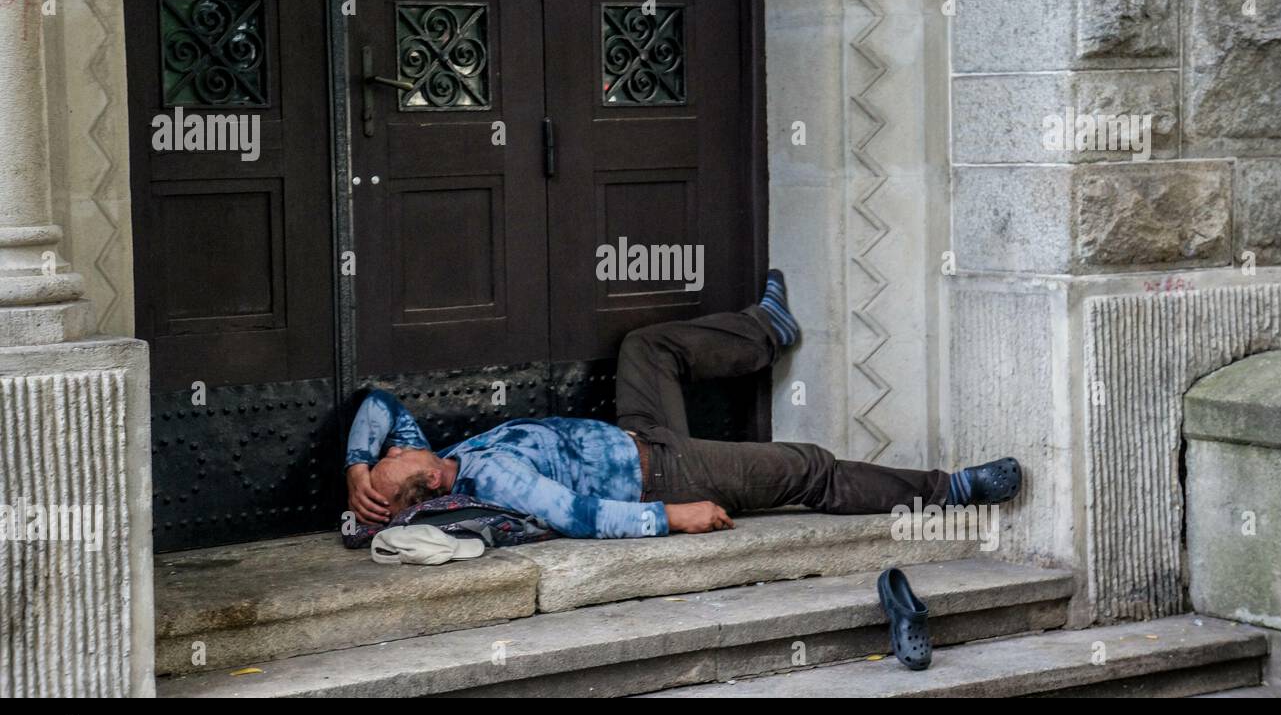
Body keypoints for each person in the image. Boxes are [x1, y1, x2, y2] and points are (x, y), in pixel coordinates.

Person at [344, 271, 1021, 537]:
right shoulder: (490, 478)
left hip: (635, 435)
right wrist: (671, 514)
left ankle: (764, 330)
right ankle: (952, 489)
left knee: (644, 345)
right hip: (666, 473)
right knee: (808, 468)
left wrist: (354, 470)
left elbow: (379, 401)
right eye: (412, 493)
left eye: (406, 469)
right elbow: (579, 515)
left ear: (404, 449)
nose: (421, 479)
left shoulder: (446, 454)